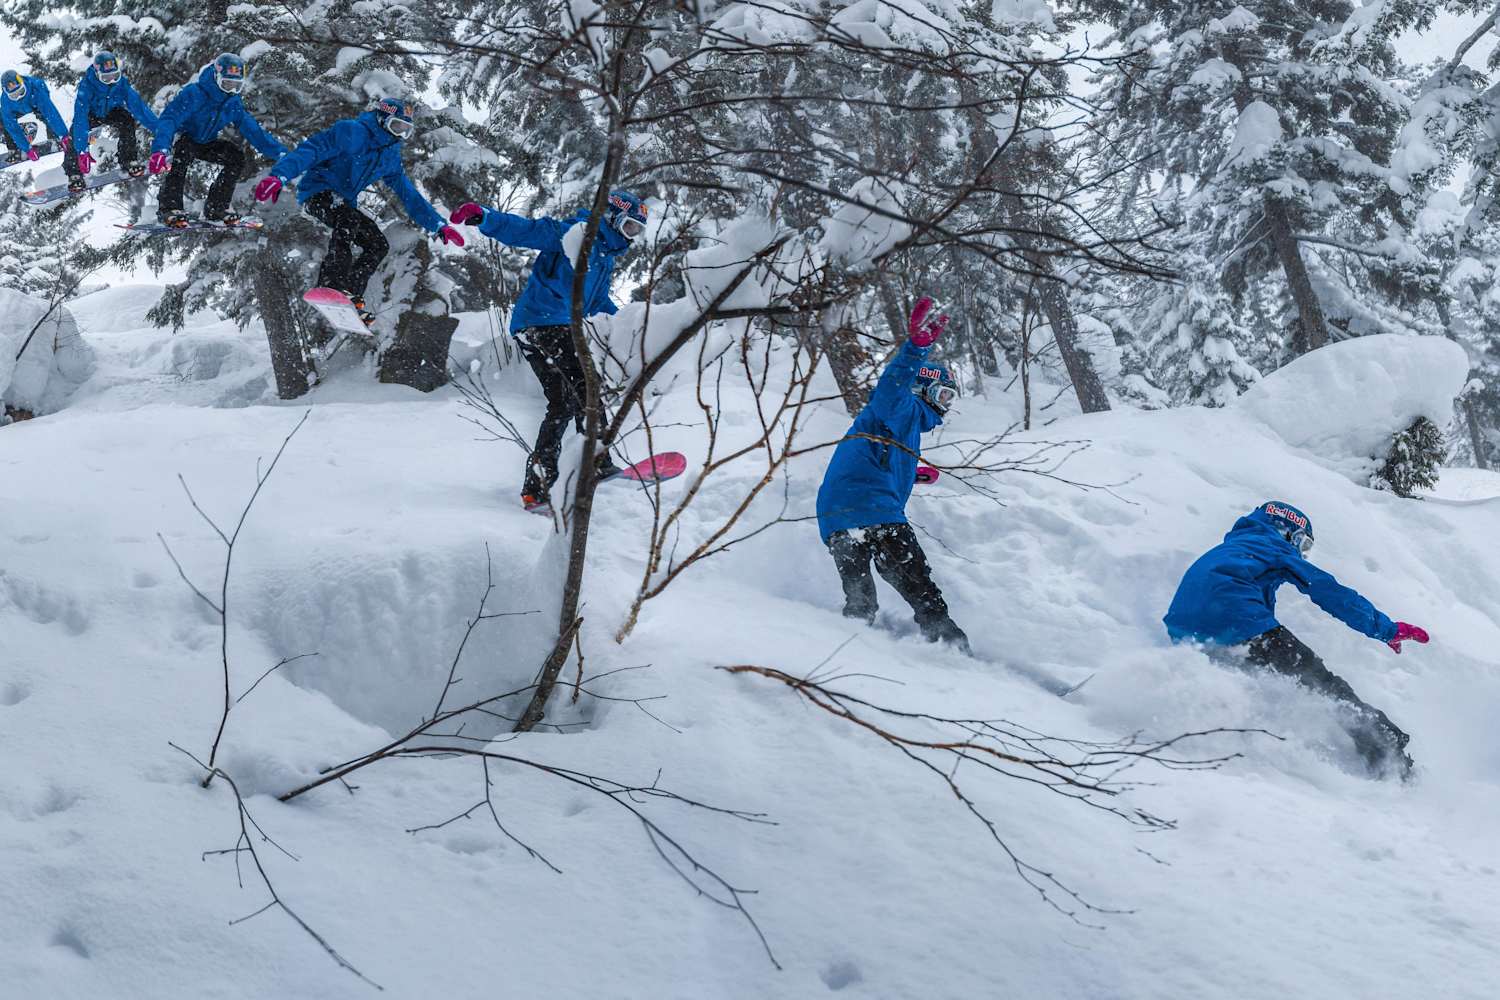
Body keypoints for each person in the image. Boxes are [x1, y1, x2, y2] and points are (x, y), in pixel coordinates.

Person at [1164, 500, 1428, 778]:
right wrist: (1386, 629)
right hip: (1238, 618)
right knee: (1323, 684)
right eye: (1303, 544)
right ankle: (1387, 752)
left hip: (1184, 630)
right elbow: (1329, 592)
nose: (1302, 553)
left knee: (1261, 674)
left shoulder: (1232, 549)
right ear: (1288, 532)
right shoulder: (1275, 548)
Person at [447, 190, 647, 511]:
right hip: (544, 321)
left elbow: (596, 302)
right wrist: (486, 218)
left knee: (563, 404)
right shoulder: (575, 233)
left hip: (545, 326)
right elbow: (527, 231)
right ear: (612, 217)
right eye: (629, 227)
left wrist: (634, 323)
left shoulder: (605, 258)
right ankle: (596, 459)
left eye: (637, 230)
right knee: (587, 387)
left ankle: (537, 489)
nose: (630, 236)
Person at [815, 296, 970, 652]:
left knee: (860, 601)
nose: (945, 406)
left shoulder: (895, 422)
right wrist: (916, 349)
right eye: (944, 394)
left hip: (839, 516)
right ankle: (953, 651)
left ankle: (851, 651)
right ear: (923, 388)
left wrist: (912, 474)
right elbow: (892, 386)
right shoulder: (902, 407)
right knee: (923, 592)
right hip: (876, 512)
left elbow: (875, 457)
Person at [252, 97, 465, 324]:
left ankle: (349, 297)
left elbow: (408, 194)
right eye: (396, 126)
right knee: (348, 219)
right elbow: (311, 150)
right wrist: (279, 176)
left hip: (344, 204)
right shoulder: (351, 132)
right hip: (317, 193)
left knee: (377, 244)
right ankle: (330, 285)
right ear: (382, 119)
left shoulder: (390, 155)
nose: (400, 134)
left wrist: (438, 225)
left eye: (405, 130)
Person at [149, 53, 287, 227]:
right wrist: (160, 149)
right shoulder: (195, 94)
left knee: (235, 157)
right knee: (183, 154)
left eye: (236, 86)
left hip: (207, 142)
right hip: (183, 137)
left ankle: (216, 209)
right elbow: (169, 119)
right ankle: (169, 208)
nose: (231, 90)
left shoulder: (232, 102)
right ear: (216, 77)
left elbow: (254, 131)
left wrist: (281, 154)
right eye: (227, 84)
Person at [70, 51, 159, 192]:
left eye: (115, 76)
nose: (112, 80)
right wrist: (82, 150)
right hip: (91, 113)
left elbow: (139, 107)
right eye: (106, 78)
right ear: (97, 73)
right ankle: (74, 173)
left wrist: (160, 130)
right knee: (74, 132)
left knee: (127, 120)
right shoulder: (86, 86)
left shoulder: (121, 83)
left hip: (111, 111)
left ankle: (128, 160)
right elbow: (80, 116)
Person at [1, 69, 71, 165]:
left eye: (20, 92)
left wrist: (64, 135)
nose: (18, 96)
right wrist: (26, 148)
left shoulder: (36, 88)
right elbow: (11, 126)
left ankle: (55, 137)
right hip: (17, 108)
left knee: (46, 116)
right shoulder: (5, 101)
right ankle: (13, 149)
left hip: (34, 102)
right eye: (14, 95)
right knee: (4, 121)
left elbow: (51, 114)